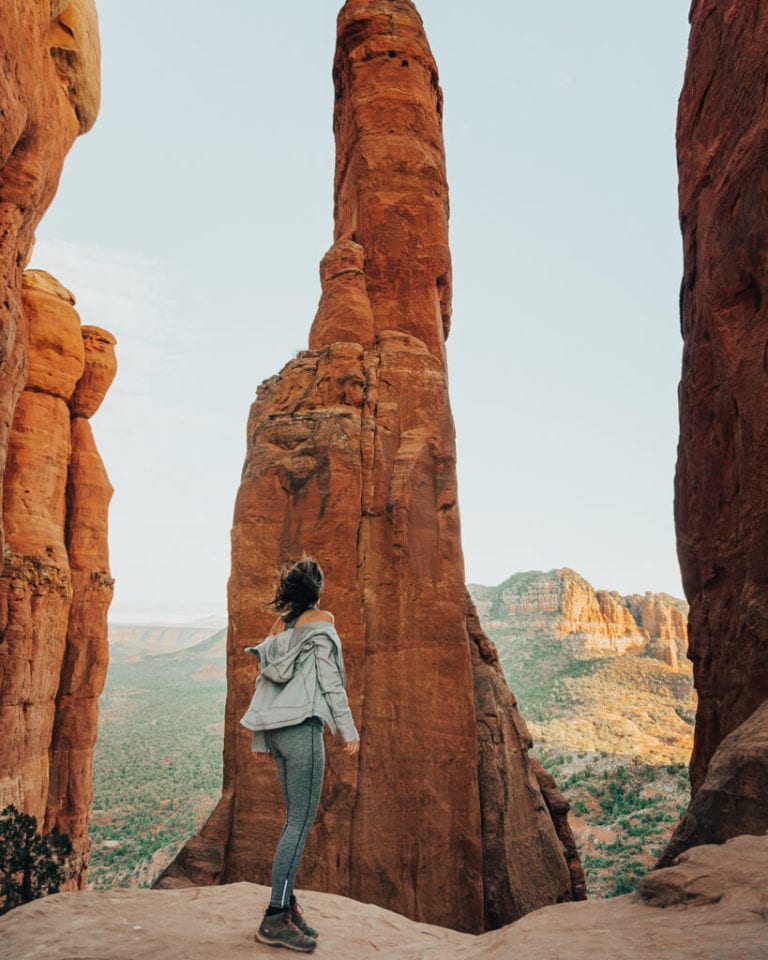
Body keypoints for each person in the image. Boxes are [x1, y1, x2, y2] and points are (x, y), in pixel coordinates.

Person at [240, 557, 360, 953]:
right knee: (299, 823)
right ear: (317, 592)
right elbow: (331, 681)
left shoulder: (280, 629)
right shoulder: (321, 622)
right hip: (303, 731)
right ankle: (275, 917)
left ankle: (287, 907)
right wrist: (348, 727)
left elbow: (264, 685)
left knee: (294, 820)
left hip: (276, 735)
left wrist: (260, 740)